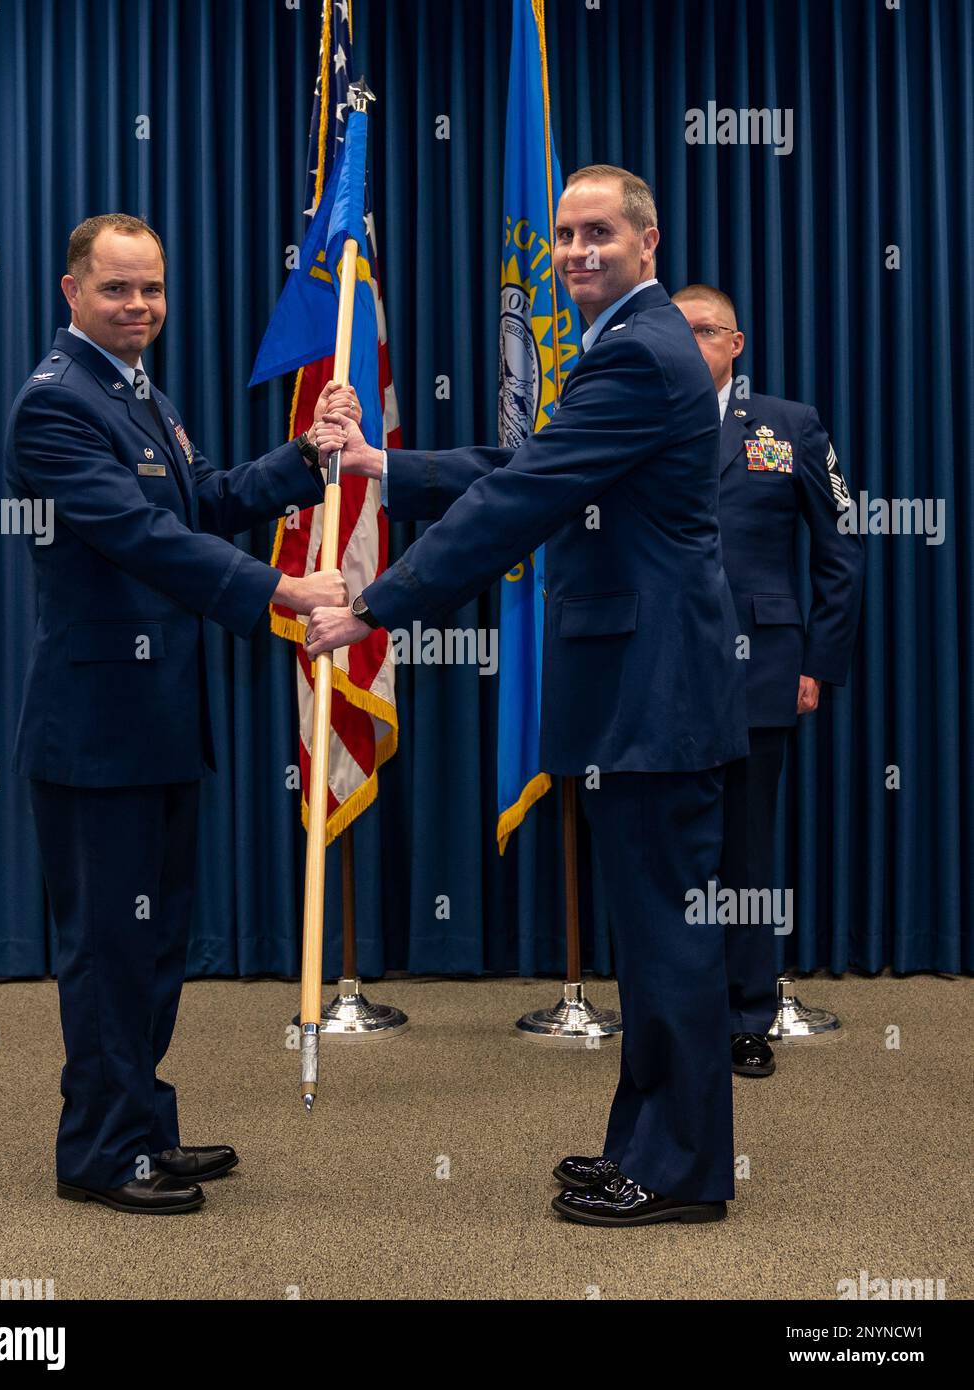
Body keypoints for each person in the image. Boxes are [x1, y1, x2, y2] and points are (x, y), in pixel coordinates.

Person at [311, 166, 748, 1227]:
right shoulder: (632, 347)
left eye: (598, 231)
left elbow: (520, 497)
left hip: (653, 693)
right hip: (640, 689)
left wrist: (377, 605)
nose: (575, 250)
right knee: (649, 939)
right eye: (562, 234)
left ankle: (682, 1171)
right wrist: (383, 463)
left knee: (668, 941)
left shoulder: (638, 355)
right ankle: (646, 1144)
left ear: (649, 242)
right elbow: (533, 462)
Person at [5, 212, 355, 1214]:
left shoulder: (136, 393)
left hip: (157, 720)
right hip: (96, 729)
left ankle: (141, 1127)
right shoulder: (56, 405)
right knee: (108, 949)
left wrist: (305, 453)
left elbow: (200, 500)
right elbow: (142, 536)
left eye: (152, 288)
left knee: (153, 947)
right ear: (71, 292)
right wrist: (279, 591)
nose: (140, 306)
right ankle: (100, 1153)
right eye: (117, 289)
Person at [673, 284, 863, 1078]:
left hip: (764, 668)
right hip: (663, 668)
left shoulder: (787, 425)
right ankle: (671, 1016)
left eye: (706, 331)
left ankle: (748, 1013)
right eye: (676, 334)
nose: (692, 346)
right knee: (668, 852)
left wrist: (819, 661)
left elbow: (840, 549)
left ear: (737, 343)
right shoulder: (638, 422)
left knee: (745, 854)